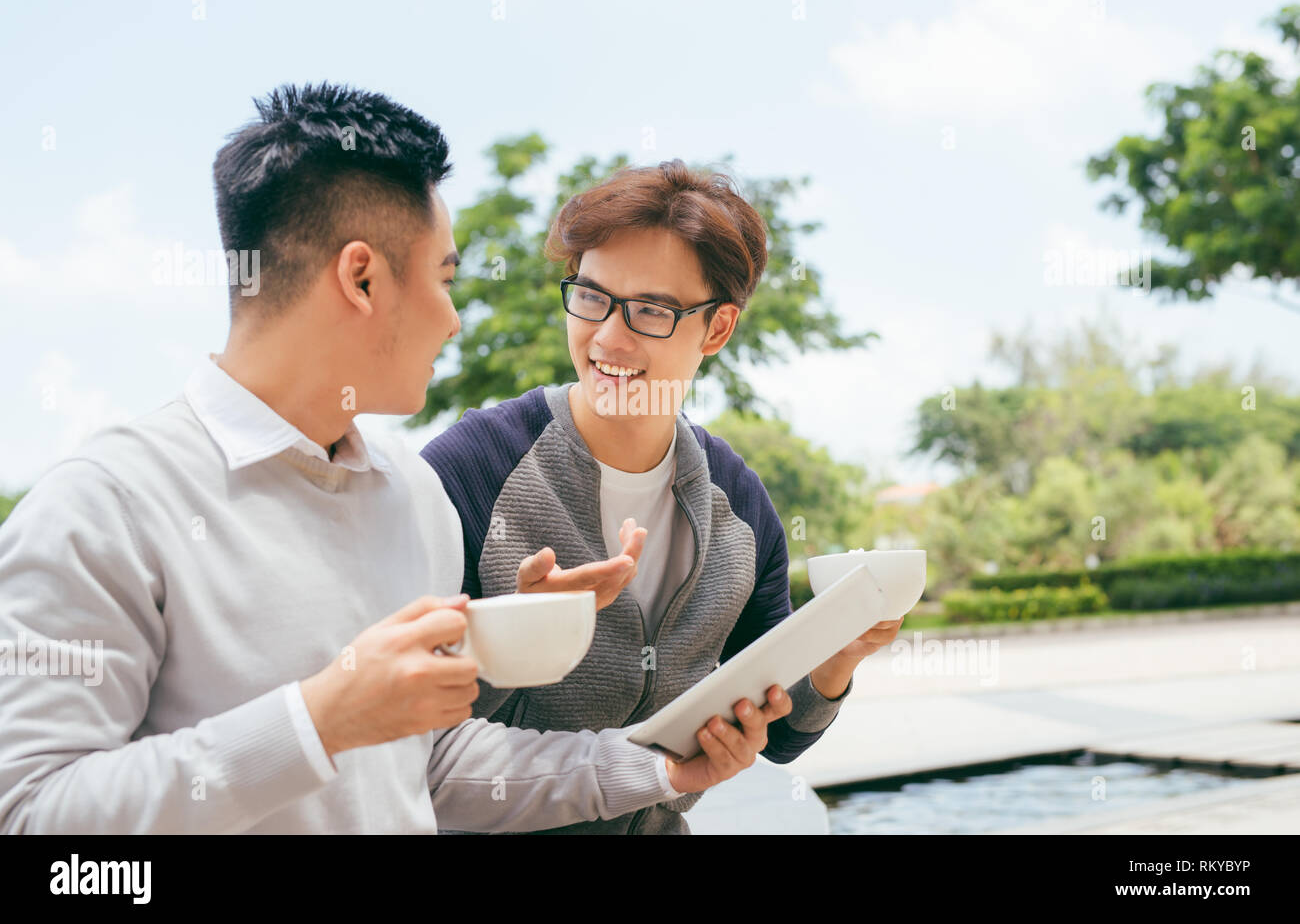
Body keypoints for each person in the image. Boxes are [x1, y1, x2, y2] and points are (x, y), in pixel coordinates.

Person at [0, 84, 788, 834]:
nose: (452, 320)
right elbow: (30, 815)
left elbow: (433, 764)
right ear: (362, 277)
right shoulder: (103, 506)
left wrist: (652, 768)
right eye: (444, 279)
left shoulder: (414, 497)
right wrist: (321, 715)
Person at [421, 160, 903, 834]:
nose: (608, 337)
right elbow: (408, 739)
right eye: (590, 297)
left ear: (717, 329)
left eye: (650, 310)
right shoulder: (467, 472)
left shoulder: (740, 504)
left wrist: (837, 656)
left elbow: (785, 730)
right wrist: (513, 640)